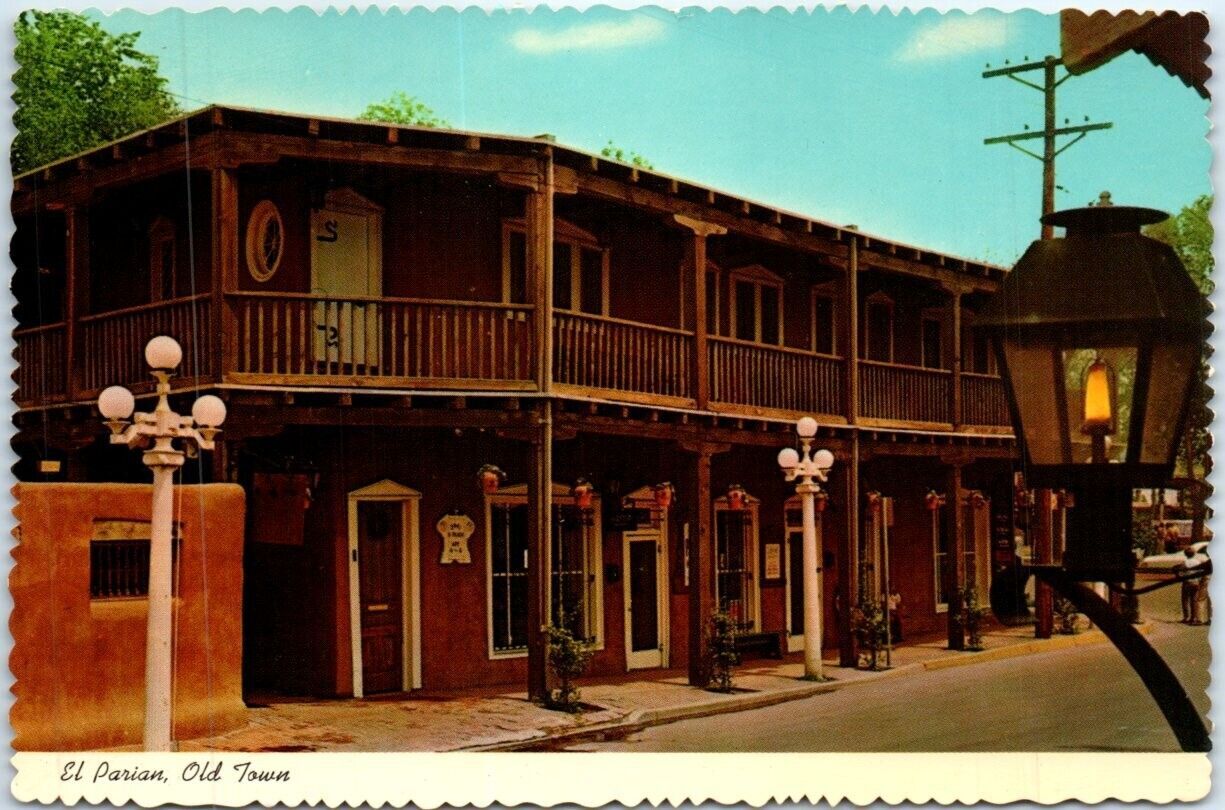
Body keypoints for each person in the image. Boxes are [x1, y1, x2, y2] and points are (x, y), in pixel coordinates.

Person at [1179, 547, 1198, 623]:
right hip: (1196, 582)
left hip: (1187, 582)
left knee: (1185, 600)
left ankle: (1186, 617)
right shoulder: (1198, 562)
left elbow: (1181, 572)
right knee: (1194, 600)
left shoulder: (1185, 562)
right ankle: (1194, 617)